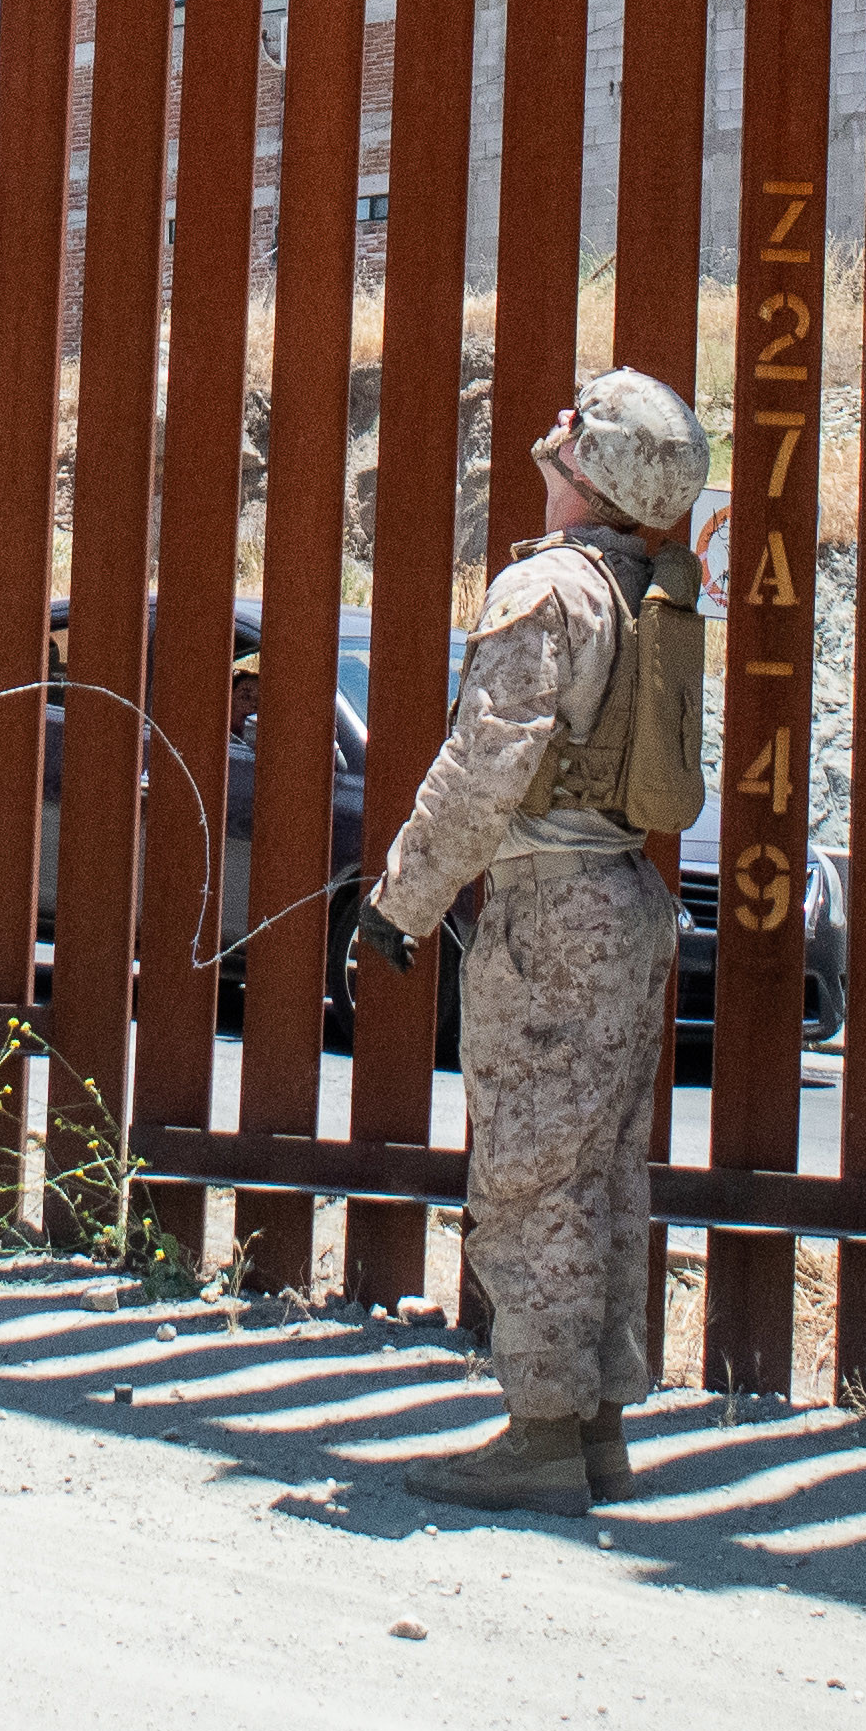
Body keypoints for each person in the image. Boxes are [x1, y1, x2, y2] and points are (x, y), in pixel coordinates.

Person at [354, 363, 713, 1516]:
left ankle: (544, 1436)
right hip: (626, 902)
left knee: (529, 1174)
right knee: (605, 1167)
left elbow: (483, 764)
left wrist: (402, 897)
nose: (554, 434)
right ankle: (595, 1424)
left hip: (550, 914)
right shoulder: (647, 586)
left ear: (589, 468)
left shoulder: (545, 591)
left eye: (573, 430)